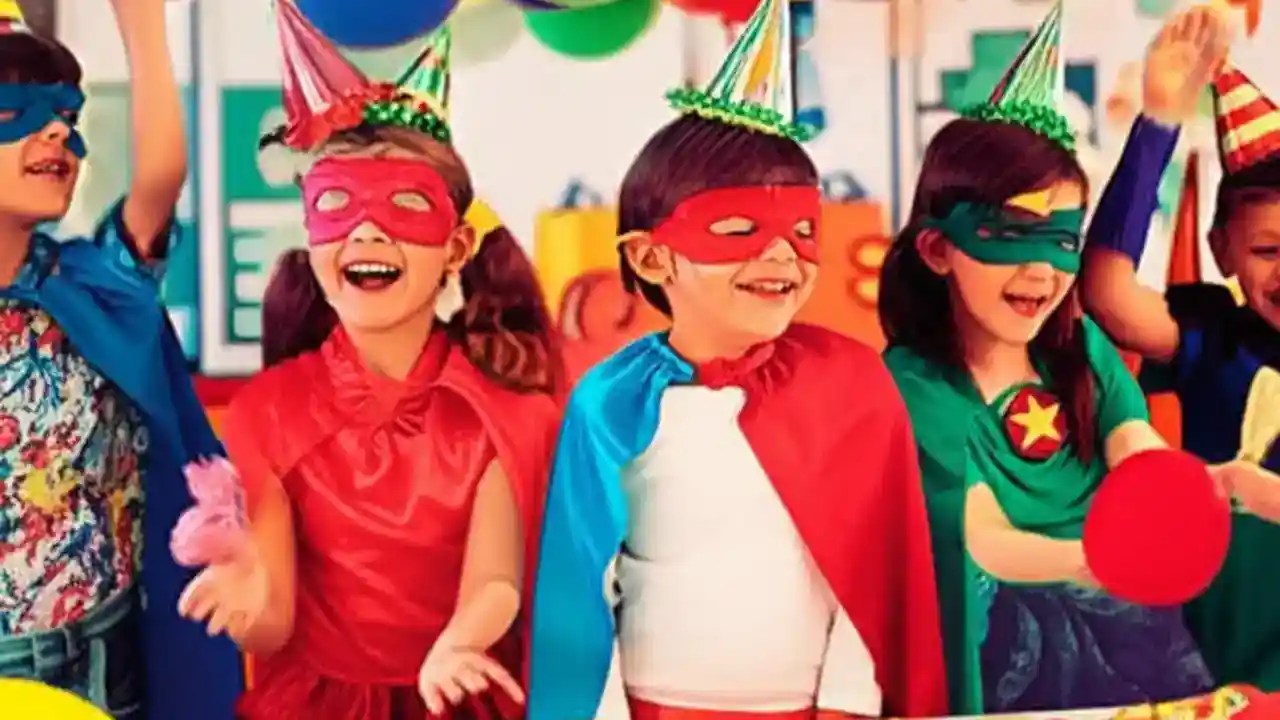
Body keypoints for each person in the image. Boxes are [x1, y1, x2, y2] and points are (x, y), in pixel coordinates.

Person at [527, 1, 947, 718]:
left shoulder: (851, 383)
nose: (781, 254)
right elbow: (582, 587)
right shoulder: (610, 402)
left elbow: (879, 569)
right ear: (651, 255)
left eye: (801, 231)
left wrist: (846, 703)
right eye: (736, 230)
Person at [879, 3, 1270, 713]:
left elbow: (1140, 453)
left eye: (1060, 241)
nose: (1040, 272)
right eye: (1007, 236)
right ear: (938, 249)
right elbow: (982, 537)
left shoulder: (1078, 349)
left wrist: (1210, 488)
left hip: (1145, 643)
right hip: (1009, 656)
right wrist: (1106, 559)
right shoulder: (914, 383)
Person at [173, 6, 561, 718]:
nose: (368, 230)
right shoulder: (271, 410)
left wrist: (460, 641)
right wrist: (250, 588)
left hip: (459, 696)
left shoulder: (502, 408)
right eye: (336, 205)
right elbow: (277, 620)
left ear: (457, 248)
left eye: (406, 206)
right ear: (311, 237)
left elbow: (496, 579)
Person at [0, 0, 241, 717]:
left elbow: (160, 177)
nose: (57, 134)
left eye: (69, 119)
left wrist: (143, 26)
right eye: (18, 111)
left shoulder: (97, 288)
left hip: (105, 655)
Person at [1080, 3, 1280, 693]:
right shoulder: (1216, 336)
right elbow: (1107, 294)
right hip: (1207, 658)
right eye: (1267, 251)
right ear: (1221, 248)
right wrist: (1159, 121)